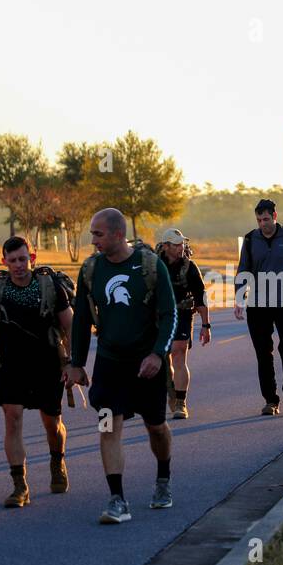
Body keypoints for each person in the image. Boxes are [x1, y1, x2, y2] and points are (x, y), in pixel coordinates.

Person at [65, 208, 177, 524]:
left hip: (147, 365)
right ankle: (117, 499)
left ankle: (163, 480)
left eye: (97, 234)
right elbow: (82, 320)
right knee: (107, 424)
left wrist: (158, 354)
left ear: (117, 234)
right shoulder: (90, 269)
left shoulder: (151, 266)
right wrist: (75, 363)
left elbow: (170, 314)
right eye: (92, 234)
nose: (93, 240)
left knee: (155, 427)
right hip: (109, 364)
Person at [0, 236, 73, 508]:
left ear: (31, 258)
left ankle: (57, 461)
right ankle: (19, 486)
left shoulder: (49, 286)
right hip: (11, 365)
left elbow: (70, 327)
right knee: (12, 419)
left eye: (22, 259)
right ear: (4, 262)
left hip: (48, 363)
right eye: (12, 260)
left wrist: (73, 363)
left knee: (52, 423)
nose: (18, 265)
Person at [234, 198, 283, 416]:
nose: (262, 224)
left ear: (274, 217)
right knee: (263, 353)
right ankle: (271, 400)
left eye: (266, 219)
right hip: (257, 305)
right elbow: (243, 270)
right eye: (259, 220)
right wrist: (239, 299)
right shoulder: (250, 240)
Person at [155, 228, 211, 420]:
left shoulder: (190, 267)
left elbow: (200, 297)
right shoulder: (152, 265)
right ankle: (169, 389)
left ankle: (180, 402)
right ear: (166, 246)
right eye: (177, 244)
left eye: (182, 244)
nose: (181, 248)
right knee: (162, 359)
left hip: (182, 314)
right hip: (158, 317)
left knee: (178, 353)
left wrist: (206, 325)